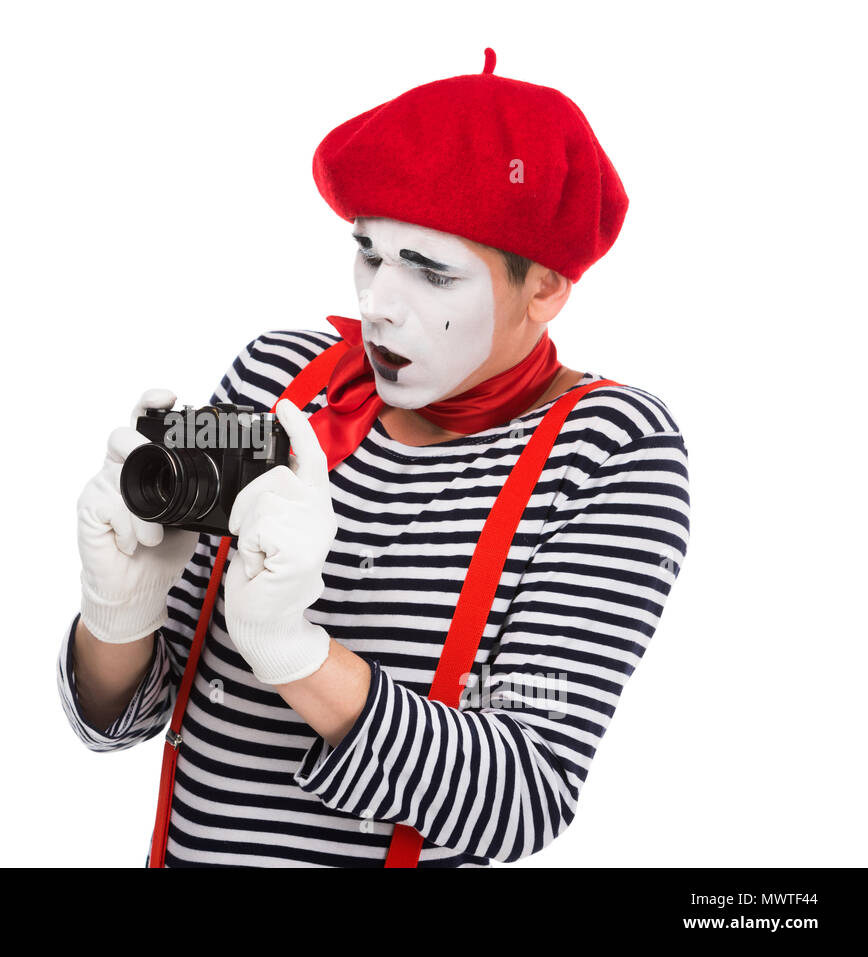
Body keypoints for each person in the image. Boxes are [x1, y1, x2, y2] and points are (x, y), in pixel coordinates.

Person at [56, 48, 690, 866]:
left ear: (546, 289)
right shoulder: (279, 379)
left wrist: (298, 653)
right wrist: (117, 615)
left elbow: (524, 795)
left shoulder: (608, 449)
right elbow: (131, 716)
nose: (378, 306)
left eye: (430, 272)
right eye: (370, 252)